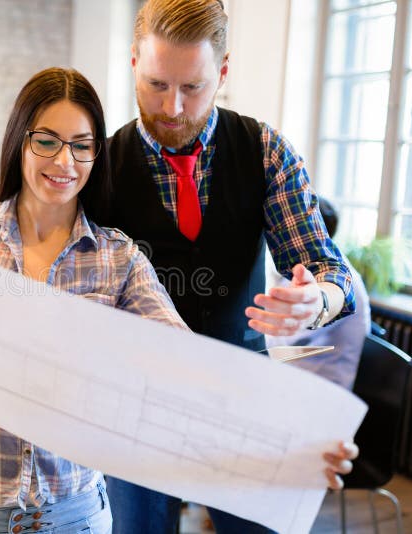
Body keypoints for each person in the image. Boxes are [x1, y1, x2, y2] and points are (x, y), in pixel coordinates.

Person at [0, 67, 357, 533]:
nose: (65, 161)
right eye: (47, 141)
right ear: (20, 140)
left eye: (82, 145)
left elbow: (192, 374)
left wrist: (296, 443)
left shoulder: (117, 259)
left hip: (75, 513)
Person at [98, 0, 359, 532]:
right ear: (132, 62)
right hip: (131, 407)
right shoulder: (97, 164)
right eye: (155, 84)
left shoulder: (265, 152)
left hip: (241, 400)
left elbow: (333, 275)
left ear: (222, 71)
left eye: (192, 87)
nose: (172, 107)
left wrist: (317, 301)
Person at [266, 197, 371, 390]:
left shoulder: (335, 283)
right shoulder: (302, 271)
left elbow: (274, 340)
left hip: (320, 388)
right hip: (295, 375)